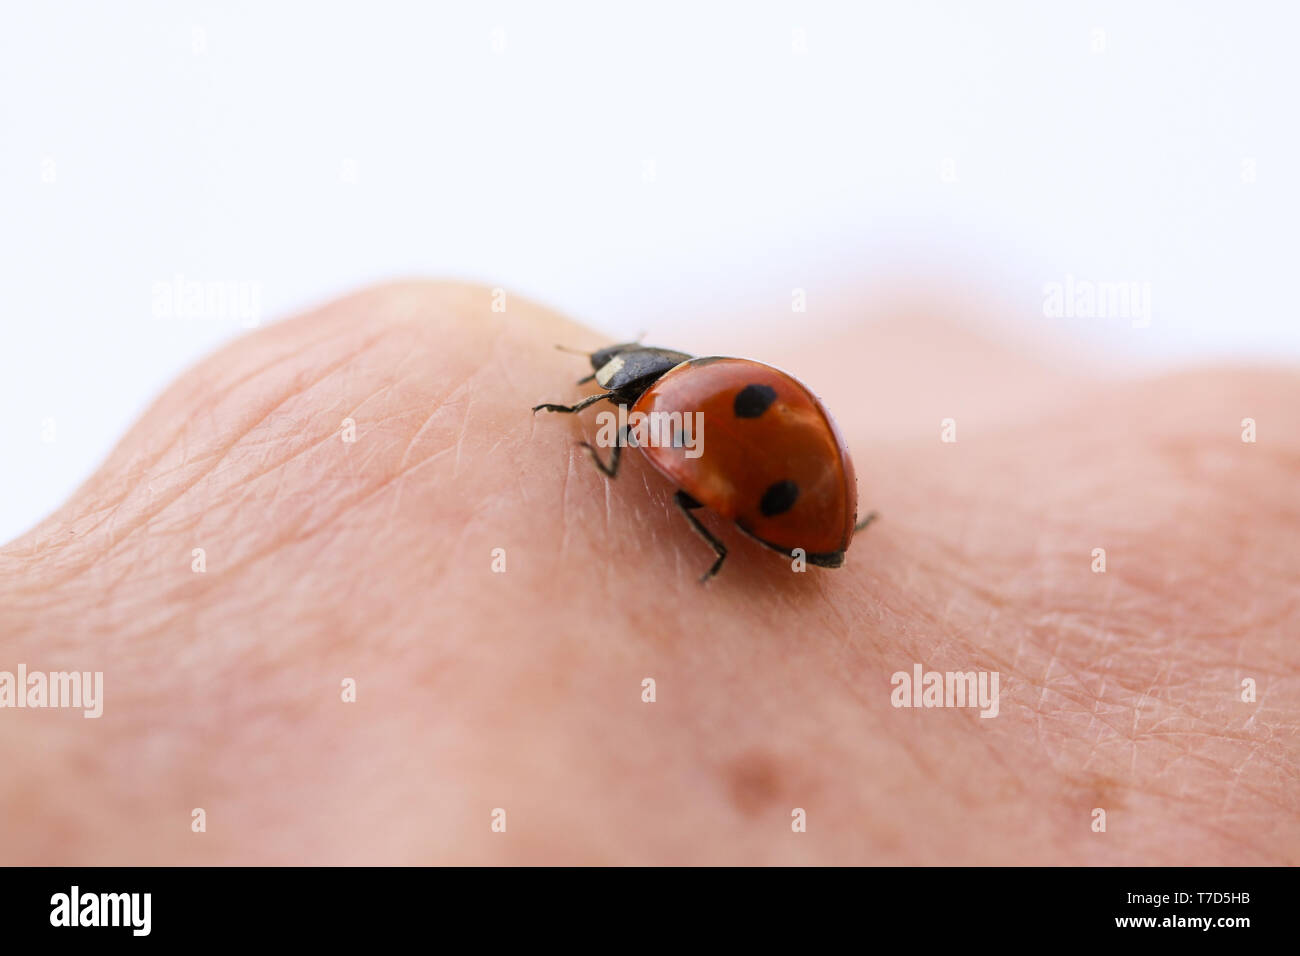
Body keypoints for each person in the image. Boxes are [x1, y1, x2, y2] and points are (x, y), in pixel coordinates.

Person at [1, 280, 1295, 864]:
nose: (591, 402)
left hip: (799, 523)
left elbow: (636, 447)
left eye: (597, 395)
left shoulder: (654, 409)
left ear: (619, 387)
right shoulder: (686, 395)